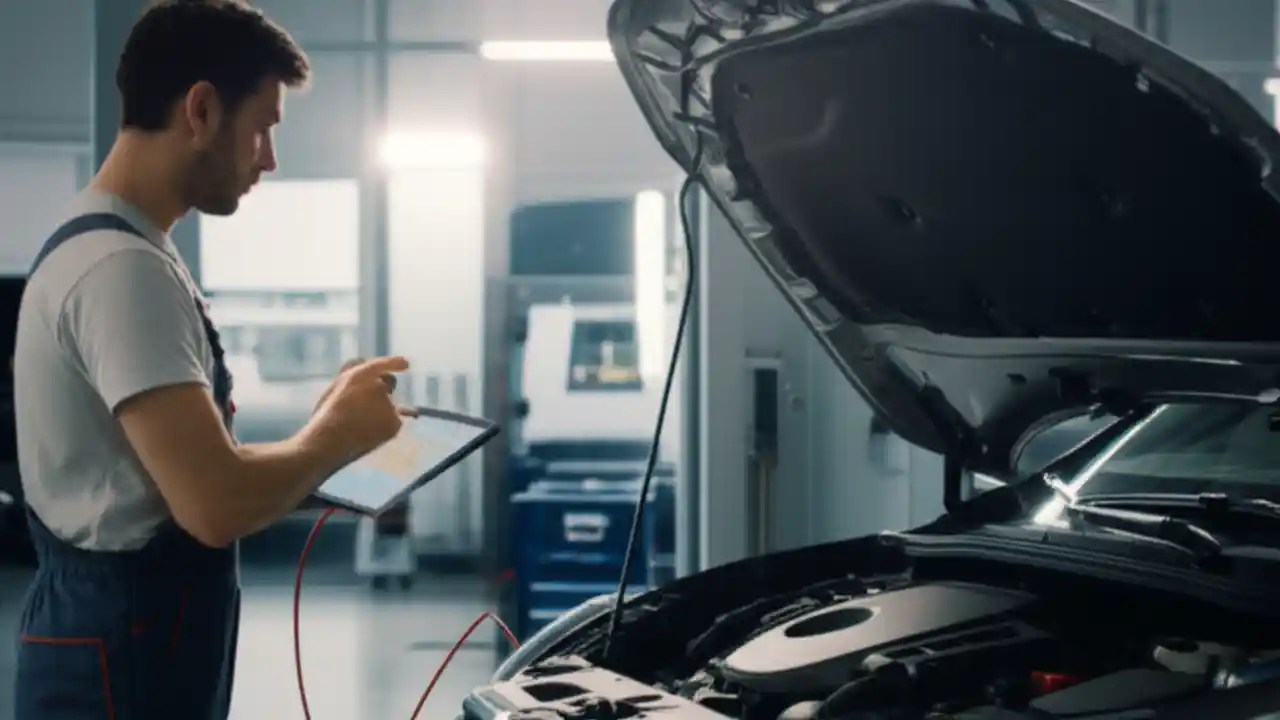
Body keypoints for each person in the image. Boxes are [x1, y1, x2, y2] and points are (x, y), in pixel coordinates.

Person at [9, 2, 409, 718]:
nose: (270, 159)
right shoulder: (120, 269)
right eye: (262, 128)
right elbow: (214, 505)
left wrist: (326, 442)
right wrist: (336, 434)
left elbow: (186, 479)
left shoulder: (125, 249)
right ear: (200, 110)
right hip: (120, 661)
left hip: (123, 639)